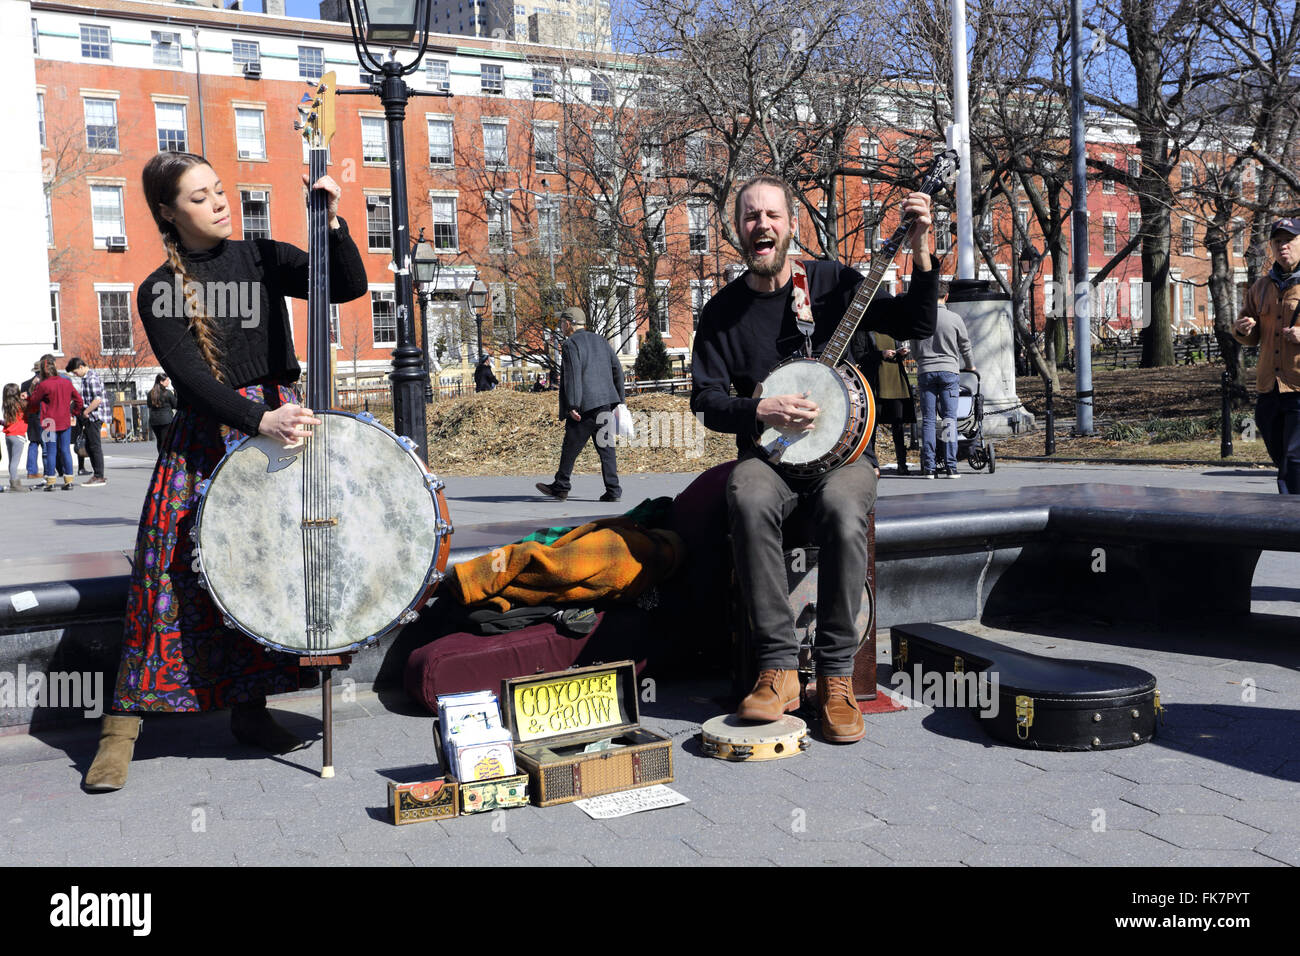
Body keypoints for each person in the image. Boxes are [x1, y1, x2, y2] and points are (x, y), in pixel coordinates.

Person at [83, 151, 368, 792]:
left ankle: (251, 711)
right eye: (199, 196)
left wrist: (332, 225)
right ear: (168, 212)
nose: (219, 203)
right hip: (210, 436)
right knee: (166, 578)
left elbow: (347, 286)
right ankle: (121, 731)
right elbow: (191, 378)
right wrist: (256, 418)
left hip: (276, 430)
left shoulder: (261, 257)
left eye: (219, 190)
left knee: (264, 568)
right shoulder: (159, 288)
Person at [691, 175, 937, 744]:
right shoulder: (723, 312)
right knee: (746, 494)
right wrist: (759, 407)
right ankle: (776, 668)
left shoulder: (832, 283)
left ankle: (835, 677)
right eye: (750, 216)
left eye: (772, 215)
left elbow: (916, 325)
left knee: (843, 510)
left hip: (847, 455)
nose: (762, 226)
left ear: (791, 223)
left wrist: (922, 250)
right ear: (737, 229)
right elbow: (704, 399)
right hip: (771, 460)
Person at [1233, 216, 1300, 494]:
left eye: (1289, 240)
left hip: (1298, 385)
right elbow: (1249, 336)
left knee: (1294, 459)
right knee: (1280, 454)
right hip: (1268, 387)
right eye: (1278, 241)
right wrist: (1242, 328)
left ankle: (1288, 521)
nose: (1283, 246)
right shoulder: (1260, 287)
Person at [536, 306, 625, 503]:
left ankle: (561, 486)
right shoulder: (601, 340)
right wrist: (620, 400)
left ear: (568, 323)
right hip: (606, 403)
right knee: (606, 448)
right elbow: (617, 369)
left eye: (562, 323)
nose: (560, 326)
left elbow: (573, 376)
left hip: (585, 406)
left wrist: (573, 405)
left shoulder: (570, 344)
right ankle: (613, 490)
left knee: (570, 446)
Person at [911, 283, 975, 478]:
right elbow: (965, 344)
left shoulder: (921, 318)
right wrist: (970, 365)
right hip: (948, 371)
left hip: (926, 371)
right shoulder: (954, 318)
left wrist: (922, 359)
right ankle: (950, 466)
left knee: (929, 421)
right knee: (949, 419)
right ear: (946, 297)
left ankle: (929, 467)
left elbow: (913, 348)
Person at [854, 329, 916, 473]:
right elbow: (858, 355)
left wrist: (902, 354)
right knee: (871, 428)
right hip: (876, 385)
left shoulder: (892, 329)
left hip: (896, 382)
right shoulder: (864, 331)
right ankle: (871, 465)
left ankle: (902, 464)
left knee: (898, 427)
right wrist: (880, 354)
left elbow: (901, 353)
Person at [25, 354, 84, 491]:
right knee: (65, 450)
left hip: (48, 422)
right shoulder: (66, 383)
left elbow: (33, 401)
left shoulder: (43, 385)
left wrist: (31, 390)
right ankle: (68, 480)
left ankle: (50, 481)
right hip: (65, 420)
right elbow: (79, 401)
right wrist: (73, 414)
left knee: (51, 451)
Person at [66, 357, 108, 486]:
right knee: (90, 445)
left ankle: (99, 475)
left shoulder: (92, 379)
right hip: (91, 416)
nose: (75, 375)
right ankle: (97, 474)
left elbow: (97, 399)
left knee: (94, 446)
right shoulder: (87, 378)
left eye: (75, 372)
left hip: (94, 416)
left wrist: (85, 412)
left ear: (81, 367)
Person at [3, 383, 29, 493]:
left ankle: (15, 481)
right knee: (15, 461)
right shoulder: (22, 404)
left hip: (9, 435)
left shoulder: (6, 405)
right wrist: (27, 396)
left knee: (11, 461)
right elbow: (33, 405)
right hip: (18, 435)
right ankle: (14, 484)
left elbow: (8, 422)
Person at [146, 373, 177, 451]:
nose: (168, 382)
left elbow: (149, 405)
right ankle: (164, 458)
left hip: (154, 421)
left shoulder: (150, 393)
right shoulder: (168, 393)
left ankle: (160, 456)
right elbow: (175, 405)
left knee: (159, 440)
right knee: (166, 441)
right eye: (167, 380)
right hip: (166, 420)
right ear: (161, 382)